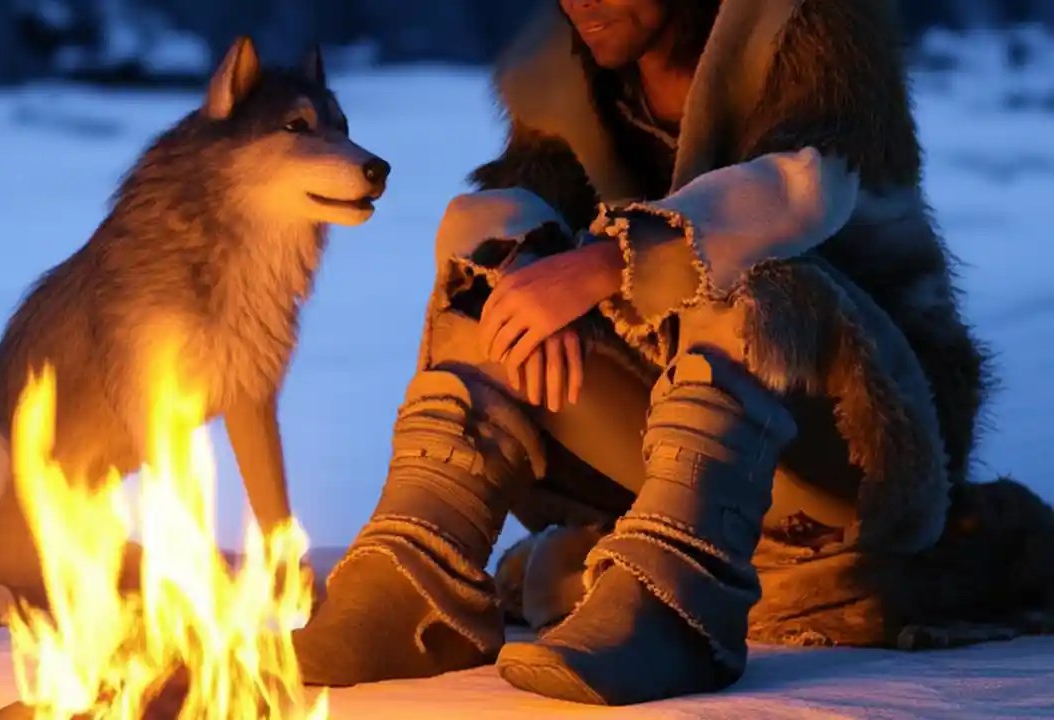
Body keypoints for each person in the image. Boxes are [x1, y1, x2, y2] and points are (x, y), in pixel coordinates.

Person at [292, 0, 1054, 706]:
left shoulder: (800, 29)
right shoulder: (565, 78)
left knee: (753, 275)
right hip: (681, 448)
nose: (581, 4)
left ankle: (675, 610)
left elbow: (806, 189)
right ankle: (420, 581)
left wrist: (609, 262)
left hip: (865, 449)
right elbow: (517, 225)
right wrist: (529, 270)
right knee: (488, 246)